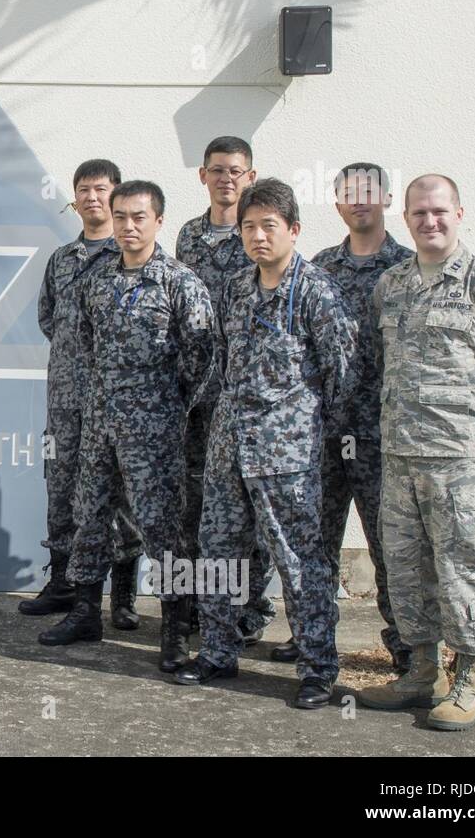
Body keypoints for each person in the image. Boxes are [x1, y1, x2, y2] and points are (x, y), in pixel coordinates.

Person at [358, 174, 475, 730]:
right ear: (406, 218)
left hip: (463, 465)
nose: (429, 221)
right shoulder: (391, 286)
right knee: (407, 572)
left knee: (466, 570)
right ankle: (421, 673)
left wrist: (469, 425)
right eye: (419, 213)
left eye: (439, 211)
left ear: (459, 213)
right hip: (400, 461)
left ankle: (471, 682)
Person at [176, 178, 357, 711]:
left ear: (293, 230)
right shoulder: (234, 287)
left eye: (268, 226)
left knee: (299, 562)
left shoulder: (316, 291)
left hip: (287, 455)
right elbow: (222, 358)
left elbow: (342, 374)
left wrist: (308, 429)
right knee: (219, 550)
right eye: (249, 226)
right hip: (230, 447)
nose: (257, 236)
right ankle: (217, 650)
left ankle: (318, 670)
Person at [40, 181, 215, 674]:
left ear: (158, 221)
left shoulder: (180, 283)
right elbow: (88, 344)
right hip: (100, 426)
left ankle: (176, 631)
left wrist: (162, 407)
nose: (128, 226)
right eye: (121, 217)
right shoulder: (98, 281)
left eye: (139, 217)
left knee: (164, 533)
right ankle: (84, 612)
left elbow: (201, 359)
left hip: (155, 435)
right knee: (91, 520)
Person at [268, 164, 412, 669]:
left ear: (387, 199)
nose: (359, 203)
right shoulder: (318, 268)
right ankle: (311, 637)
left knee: (389, 547)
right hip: (322, 435)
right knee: (314, 544)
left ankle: (405, 647)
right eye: (348, 195)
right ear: (336, 205)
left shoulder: (407, 271)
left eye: (369, 194)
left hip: (380, 433)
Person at [25, 159, 144, 627]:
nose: (92, 198)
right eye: (84, 190)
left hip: (117, 404)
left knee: (122, 499)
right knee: (62, 492)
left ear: (115, 198)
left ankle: (124, 597)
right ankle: (62, 584)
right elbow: (49, 318)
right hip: (66, 402)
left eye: (101, 189)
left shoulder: (130, 256)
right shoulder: (62, 259)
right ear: (74, 199)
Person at [175, 136, 275, 643]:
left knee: (253, 507)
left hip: (246, 397)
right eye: (217, 170)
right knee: (199, 506)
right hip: (197, 396)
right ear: (203, 175)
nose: (226, 179)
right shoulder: (188, 237)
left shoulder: (260, 233)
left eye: (236, 171)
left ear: (250, 177)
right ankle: (201, 603)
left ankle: (250, 608)